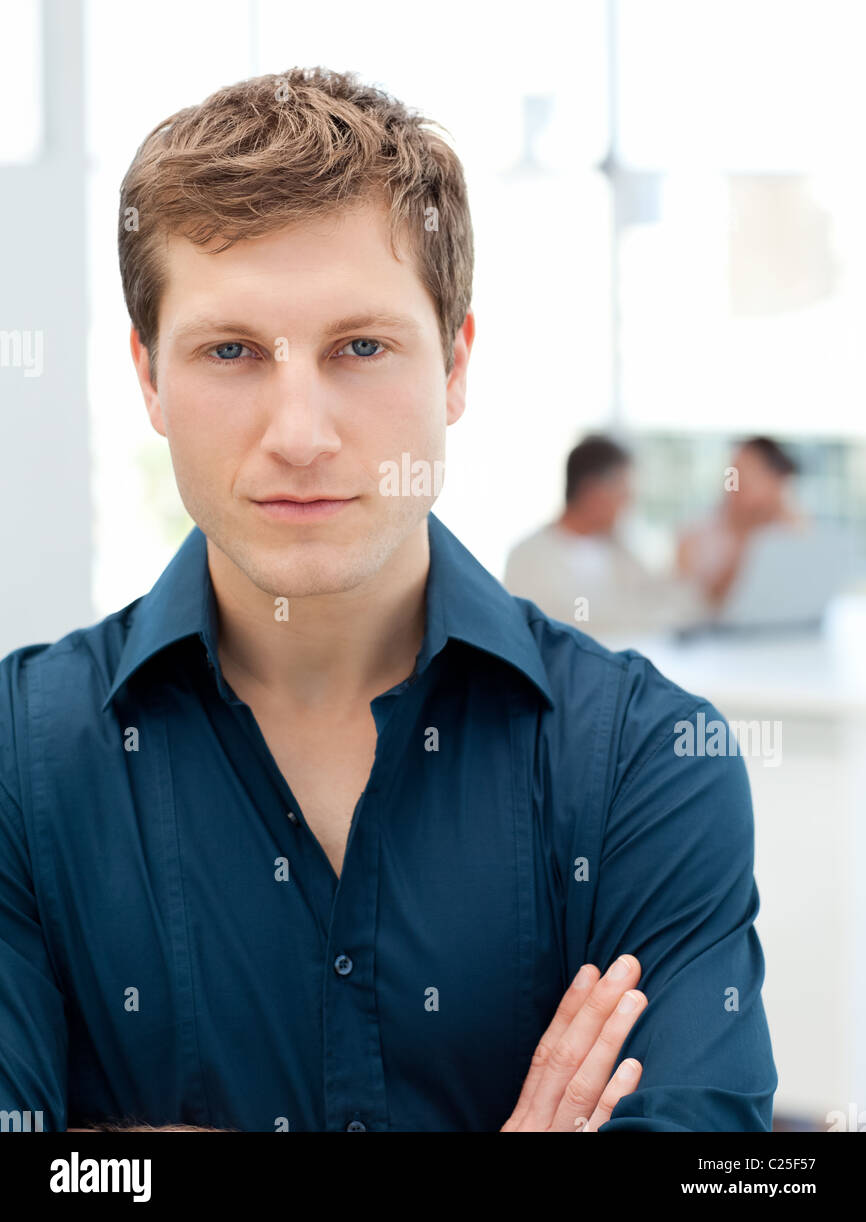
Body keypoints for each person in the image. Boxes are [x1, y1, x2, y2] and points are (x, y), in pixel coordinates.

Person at [0, 67, 775, 1133]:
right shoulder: (17, 758)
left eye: (360, 347)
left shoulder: (647, 763)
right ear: (147, 379)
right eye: (230, 352)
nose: (301, 433)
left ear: (454, 363)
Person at [504, 435, 698, 638]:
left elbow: (668, 607)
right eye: (623, 491)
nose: (628, 503)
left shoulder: (621, 551)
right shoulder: (527, 558)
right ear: (592, 492)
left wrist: (684, 572)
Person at [677, 436, 805, 609]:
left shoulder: (788, 528)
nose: (734, 486)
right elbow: (705, 607)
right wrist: (746, 539)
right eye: (733, 474)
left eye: (745, 479)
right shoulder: (694, 537)